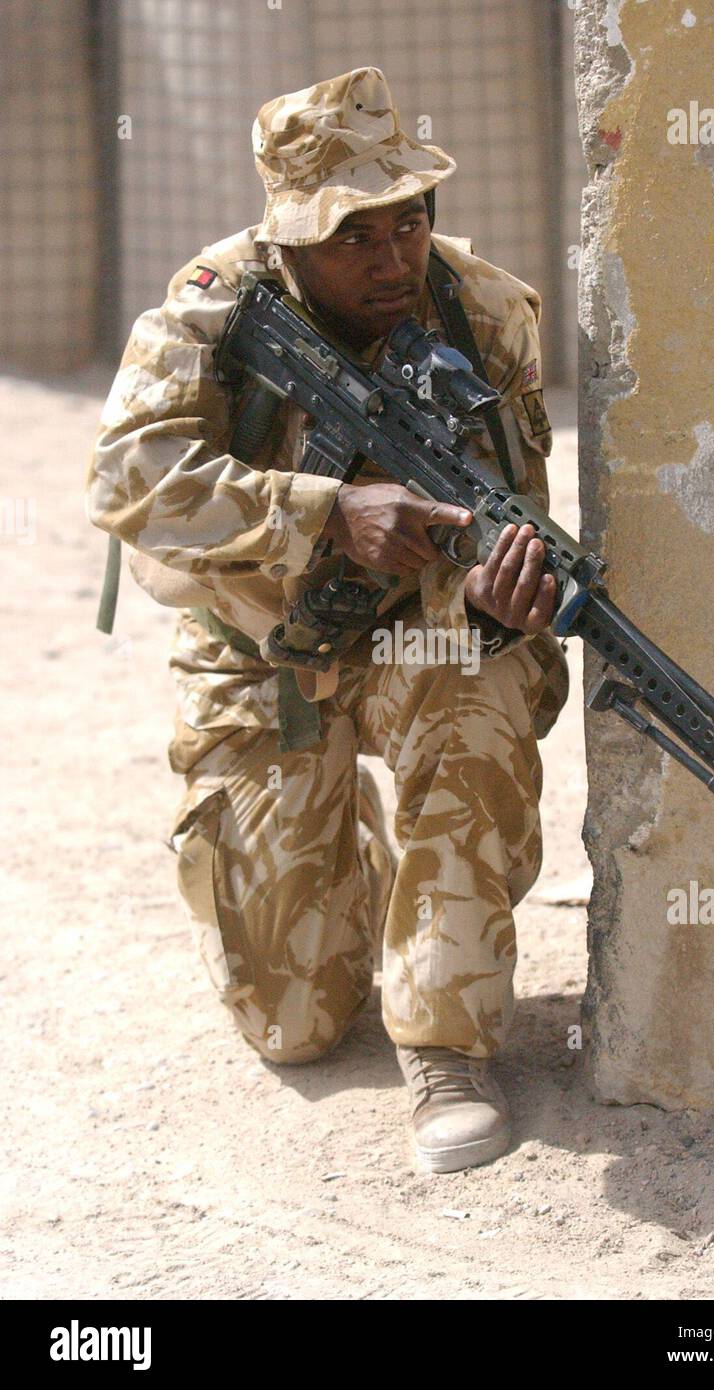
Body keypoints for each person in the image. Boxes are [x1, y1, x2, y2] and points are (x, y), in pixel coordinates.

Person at [86, 66, 570, 1174]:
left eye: (408, 221)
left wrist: (493, 601)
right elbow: (123, 479)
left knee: (485, 676)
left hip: (416, 641)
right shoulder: (214, 307)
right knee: (296, 1025)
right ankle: (331, 840)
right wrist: (323, 510)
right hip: (262, 659)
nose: (393, 257)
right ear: (289, 238)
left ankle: (445, 1041)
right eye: (355, 234)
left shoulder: (482, 314)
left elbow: (511, 518)